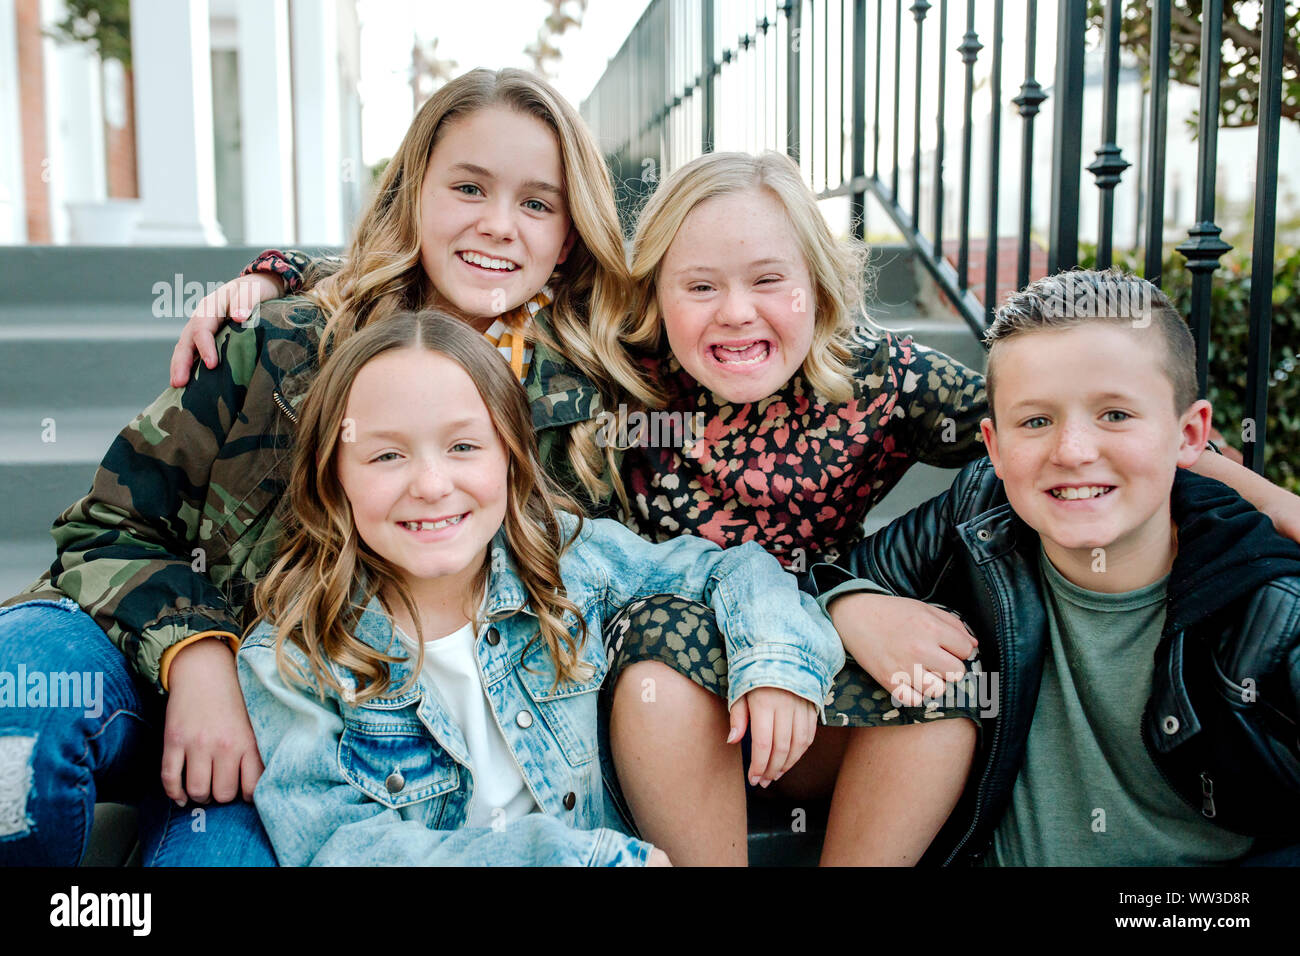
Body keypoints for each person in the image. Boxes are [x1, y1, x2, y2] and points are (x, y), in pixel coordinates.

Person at [175, 151, 1300, 866]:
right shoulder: (611, 374)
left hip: (814, 646)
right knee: (665, 654)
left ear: (819, 286)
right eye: (697, 286)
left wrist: (1255, 488)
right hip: (661, 662)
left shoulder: (880, 379)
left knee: (950, 691)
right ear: (651, 299)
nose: (736, 313)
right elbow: (462, 270)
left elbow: (1066, 430)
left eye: (769, 280)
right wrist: (277, 271)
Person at [0, 67, 658, 866]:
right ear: (412, 194)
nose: (498, 225)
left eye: (536, 203)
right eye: (468, 188)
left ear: (568, 236)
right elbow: (106, 524)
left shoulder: (573, 412)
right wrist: (197, 656)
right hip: (147, 659)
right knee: (19, 703)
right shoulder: (277, 342)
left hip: (311, 742)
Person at [239, 309, 840, 866]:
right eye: (387, 455)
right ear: (333, 474)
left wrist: (775, 662)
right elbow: (339, 847)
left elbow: (726, 569)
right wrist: (564, 858)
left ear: (510, 457)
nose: (430, 484)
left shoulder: (568, 564)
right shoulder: (294, 655)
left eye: (464, 447)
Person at [817, 270, 1300, 865]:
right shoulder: (975, 517)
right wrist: (850, 606)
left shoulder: (1273, 608)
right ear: (992, 447)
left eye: (1115, 416)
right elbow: (815, 580)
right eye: (1036, 421)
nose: (1072, 452)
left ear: (1190, 434)